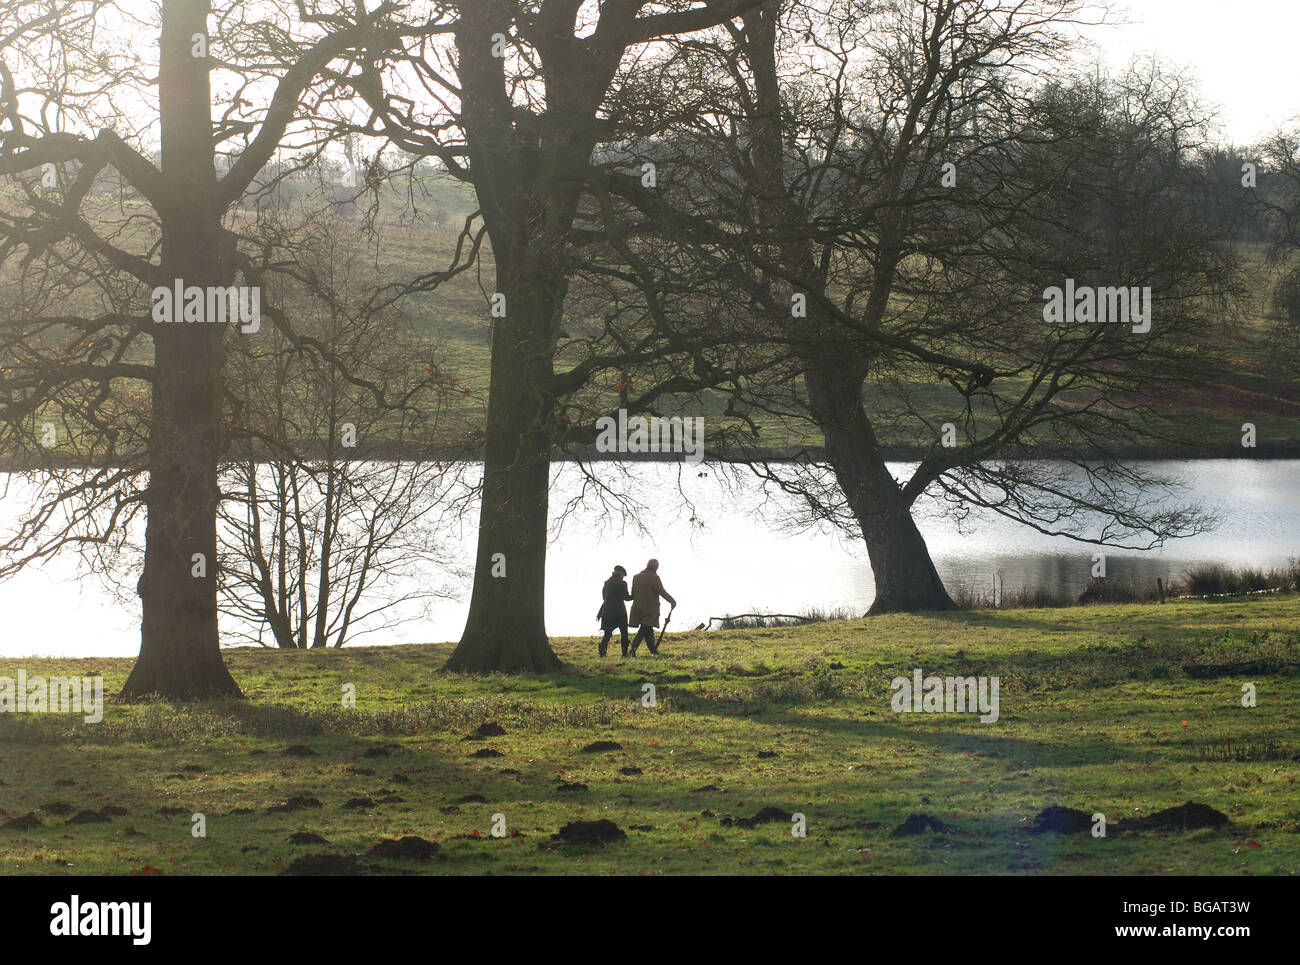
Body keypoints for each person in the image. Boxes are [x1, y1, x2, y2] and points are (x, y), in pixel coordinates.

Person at [628, 558, 676, 656]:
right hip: (649, 610)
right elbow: (661, 592)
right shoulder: (654, 578)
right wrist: (672, 601)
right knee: (644, 629)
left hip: (637, 608)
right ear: (656, 567)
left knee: (648, 630)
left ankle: (653, 651)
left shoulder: (636, 577)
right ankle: (632, 651)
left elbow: (633, 594)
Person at [597, 565, 633, 657]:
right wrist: (635, 595)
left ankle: (602, 652)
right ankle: (624, 654)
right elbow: (626, 598)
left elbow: (604, 598)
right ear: (621, 574)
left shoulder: (607, 583)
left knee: (607, 635)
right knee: (624, 634)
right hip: (620, 612)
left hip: (607, 612)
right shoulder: (623, 583)